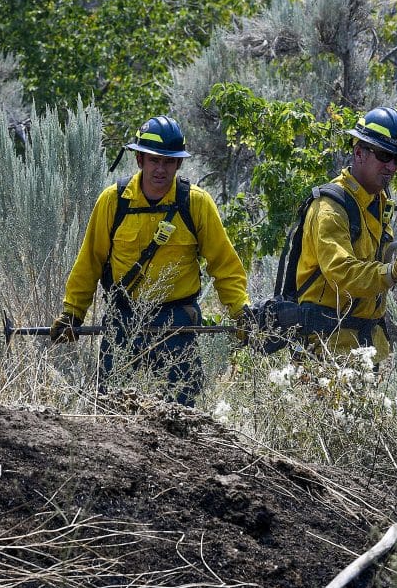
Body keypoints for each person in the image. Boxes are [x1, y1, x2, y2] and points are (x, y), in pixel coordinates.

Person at [50, 115, 250, 406]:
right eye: (154, 160)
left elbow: (224, 265)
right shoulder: (113, 201)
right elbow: (89, 262)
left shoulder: (195, 203)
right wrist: (73, 313)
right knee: (113, 411)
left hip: (178, 322)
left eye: (169, 162)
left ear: (179, 164)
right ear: (140, 159)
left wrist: (240, 311)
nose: (161, 169)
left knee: (180, 416)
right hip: (123, 318)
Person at [289, 106, 397, 363]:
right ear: (359, 152)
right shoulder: (331, 208)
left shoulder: (378, 202)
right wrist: (392, 271)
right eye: (385, 155)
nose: (391, 166)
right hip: (328, 347)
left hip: (367, 347)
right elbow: (342, 274)